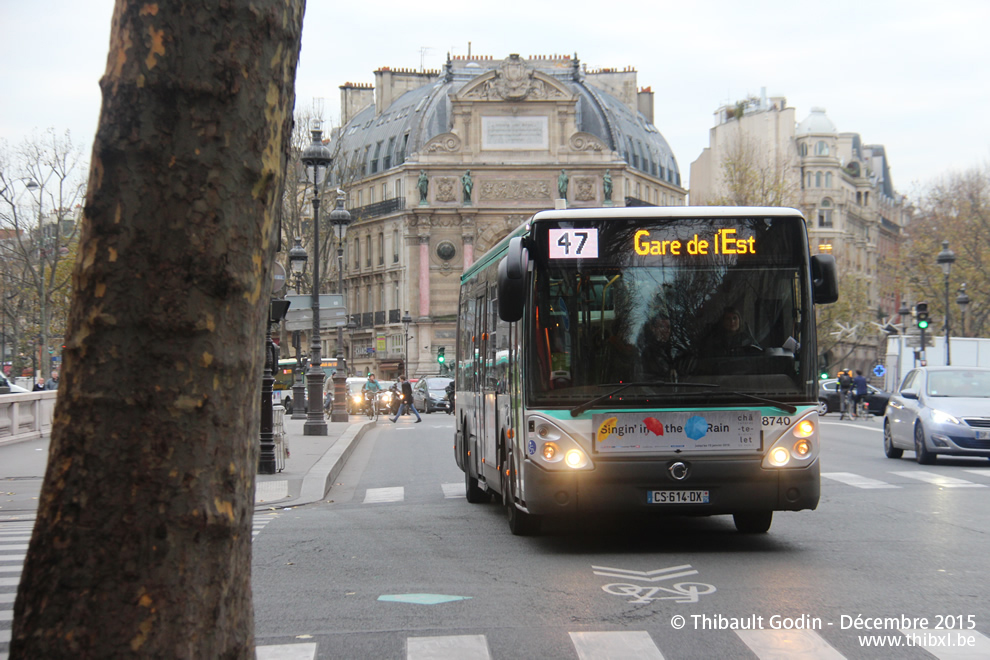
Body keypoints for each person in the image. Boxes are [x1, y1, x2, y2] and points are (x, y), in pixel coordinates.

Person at [636, 314, 679, 381]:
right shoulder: (648, 352)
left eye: (668, 327)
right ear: (653, 329)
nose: (666, 330)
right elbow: (646, 379)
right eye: (662, 327)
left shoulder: (676, 350)